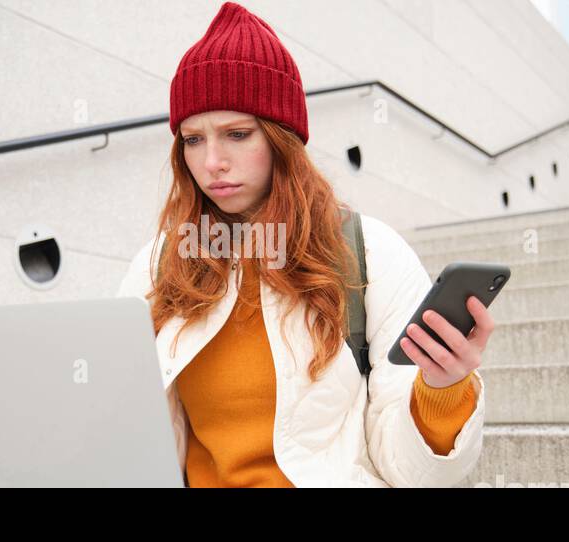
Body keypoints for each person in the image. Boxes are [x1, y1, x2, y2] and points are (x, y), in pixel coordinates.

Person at [116, 1, 492, 488]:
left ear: (282, 138)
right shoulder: (160, 262)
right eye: (192, 139)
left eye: (236, 134)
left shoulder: (369, 252)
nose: (211, 162)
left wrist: (442, 390)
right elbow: (121, 423)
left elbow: (413, 472)